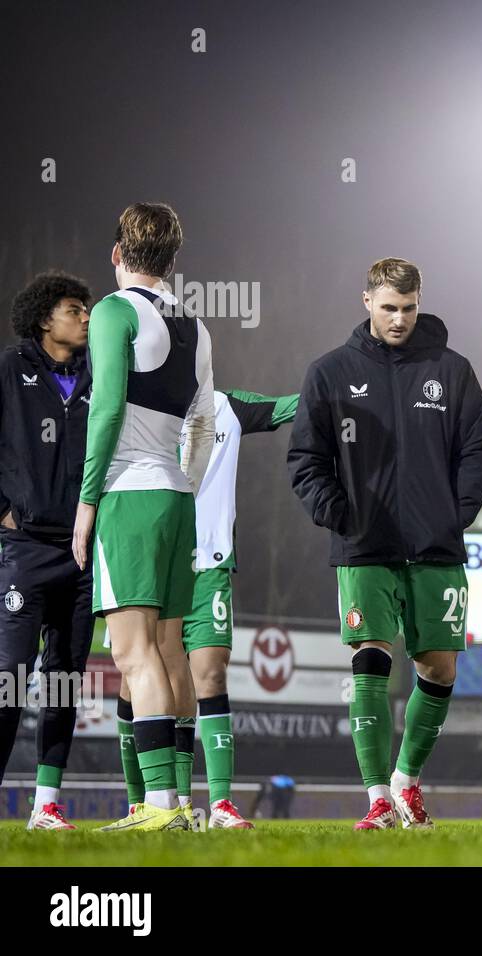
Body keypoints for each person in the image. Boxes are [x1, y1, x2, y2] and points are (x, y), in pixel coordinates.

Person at [288, 257, 482, 830]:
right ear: (366, 302)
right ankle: (377, 798)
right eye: (388, 308)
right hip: (365, 547)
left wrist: (457, 513)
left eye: (408, 308)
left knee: (440, 670)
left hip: (436, 547)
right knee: (371, 661)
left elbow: (478, 446)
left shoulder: (451, 371)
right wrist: (337, 513)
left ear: (419, 302)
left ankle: (406, 782)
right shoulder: (330, 372)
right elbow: (306, 458)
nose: (399, 319)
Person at [74, 202, 216, 833]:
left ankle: (159, 806)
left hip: (128, 494)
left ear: (116, 254)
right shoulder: (196, 327)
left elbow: (105, 410)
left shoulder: (111, 311)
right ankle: (178, 801)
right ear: (173, 261)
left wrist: (86, 504)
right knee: (169, 653)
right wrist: (183, 484)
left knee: (133, 657)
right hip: (178, 496)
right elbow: (204, 424)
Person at [115, 388, 299, 829]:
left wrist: (347, 380)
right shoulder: (131, 403)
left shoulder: (224, 406)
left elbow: (293, 404)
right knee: (140, 680)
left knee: (210, 674)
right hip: (151, 563)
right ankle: (147, 803)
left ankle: (220, 805)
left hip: (209, 563)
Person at [0, 271, 95, 829]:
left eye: (86, 309)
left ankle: (46, 806)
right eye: (73, 309)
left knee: (63, 679)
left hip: (83, 551)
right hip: (26, 550)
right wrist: (4, 513)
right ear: (44, 319)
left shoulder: (98, 372)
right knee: (10, 679)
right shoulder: (11, 368)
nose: (85, 317)